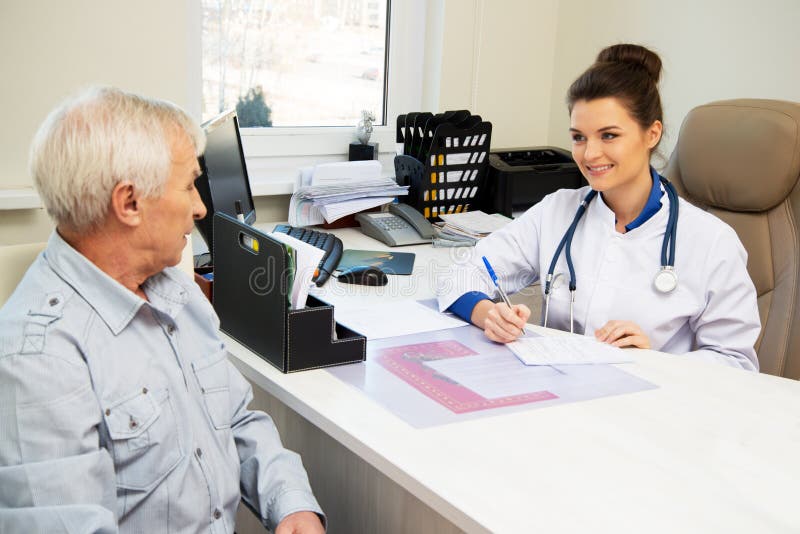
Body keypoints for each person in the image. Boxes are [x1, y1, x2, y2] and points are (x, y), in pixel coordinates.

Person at [0, 87, 326, 533]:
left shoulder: (173, 284)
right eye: (190, 184)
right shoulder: (39, 359)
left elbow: (236, 418)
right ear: (129, 202)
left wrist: (291, 505)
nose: (200, 207)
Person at [437, 44, 760, 371]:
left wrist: (656, 362)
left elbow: (736, 362)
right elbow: (460, 273)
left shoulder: (712, 241)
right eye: (579, 137)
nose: (589, 154)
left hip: (653, 408)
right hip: (560, 396)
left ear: (652, 134)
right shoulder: (557, 211)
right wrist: (489, 314)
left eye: (608, 135)